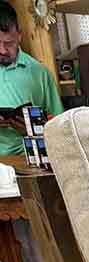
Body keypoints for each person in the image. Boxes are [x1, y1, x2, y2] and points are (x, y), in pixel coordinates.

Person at [0, 1, 63, 157]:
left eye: (8, 44)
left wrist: (32, 129)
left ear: (19, 35)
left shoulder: (39, 73)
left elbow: (60, 127)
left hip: (30, 160)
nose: (2, 50)